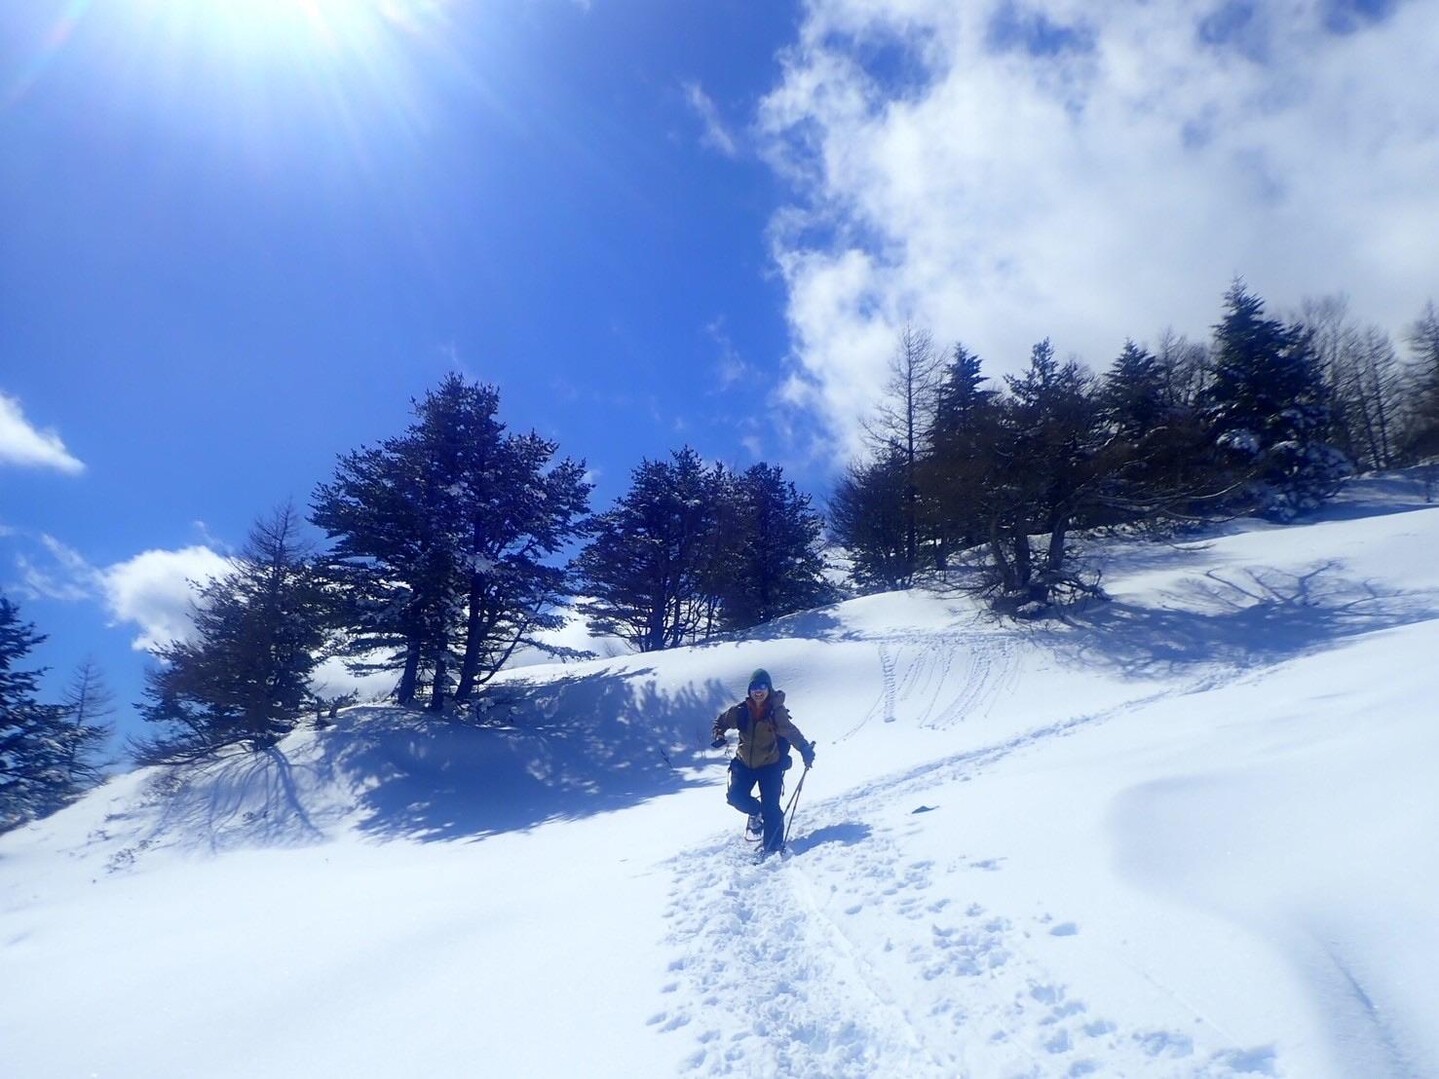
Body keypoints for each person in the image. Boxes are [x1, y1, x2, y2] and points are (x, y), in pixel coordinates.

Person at [710, 668, 815, 856]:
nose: (758, 691)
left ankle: (773, 847)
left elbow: (791, 732)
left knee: (771, 808)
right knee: (735, 797)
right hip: (744, 765)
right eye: (754, 687)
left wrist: (805, 749)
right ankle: (756, 813)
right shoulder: (740, 712)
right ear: (749, 690)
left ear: (769, 689)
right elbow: (720, 722)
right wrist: (719, 734)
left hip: (770, 767)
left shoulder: (776, 713)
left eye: (762, 686)